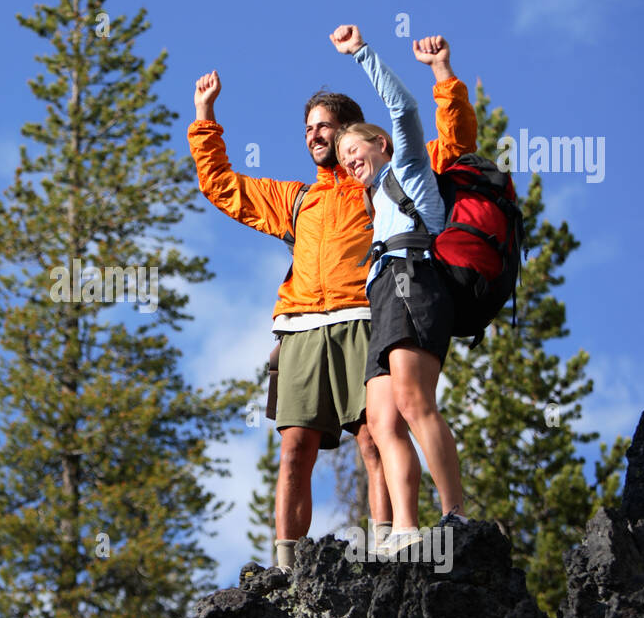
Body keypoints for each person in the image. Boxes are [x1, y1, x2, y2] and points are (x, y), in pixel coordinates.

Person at [189, 36, 475, 570]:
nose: (314, 136)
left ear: (349, 130)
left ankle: (390, 541)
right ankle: (288, 568)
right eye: (308, 130)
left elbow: (451, 144)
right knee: (294, 447)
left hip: (366, 318)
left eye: (323, 126)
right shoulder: (298, 198)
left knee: (375, 436)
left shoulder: (378, 179)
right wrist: (206, 116)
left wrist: (444, 78)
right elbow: (223, 186)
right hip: (299, 328)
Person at [329, 23, 468, 556]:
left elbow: (406, 109)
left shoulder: (407, 167)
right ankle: (406, 531)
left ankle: (455, 516)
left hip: (415, 279)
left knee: (413, 401)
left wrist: (362, 53)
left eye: (354, 147)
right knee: (383, 419)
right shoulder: (370, 202)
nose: (348, 159)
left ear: (380, 144)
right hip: (385, 292)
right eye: (342, 157)